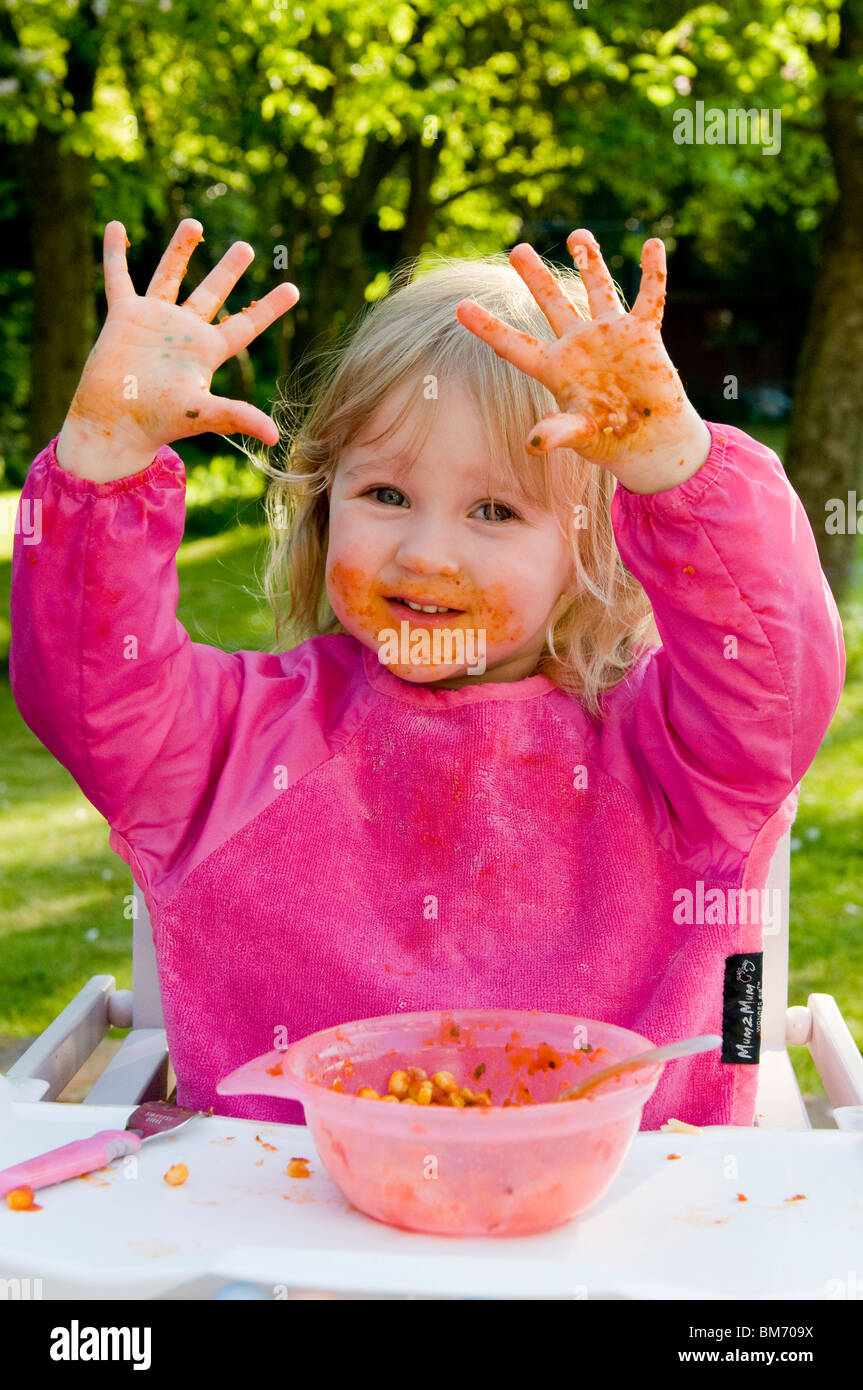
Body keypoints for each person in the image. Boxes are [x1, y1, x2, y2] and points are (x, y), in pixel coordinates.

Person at [9, 218, 845, 1129]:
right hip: (288, 1241)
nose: (427, 552)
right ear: (325, 507)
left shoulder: (676, 758)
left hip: (612, 1246)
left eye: (494, 509)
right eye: (386, 495)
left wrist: (675, 471)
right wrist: (104, 461)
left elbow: (777, 679)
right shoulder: (233, 743)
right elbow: (90, 686)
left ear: (589, 548)